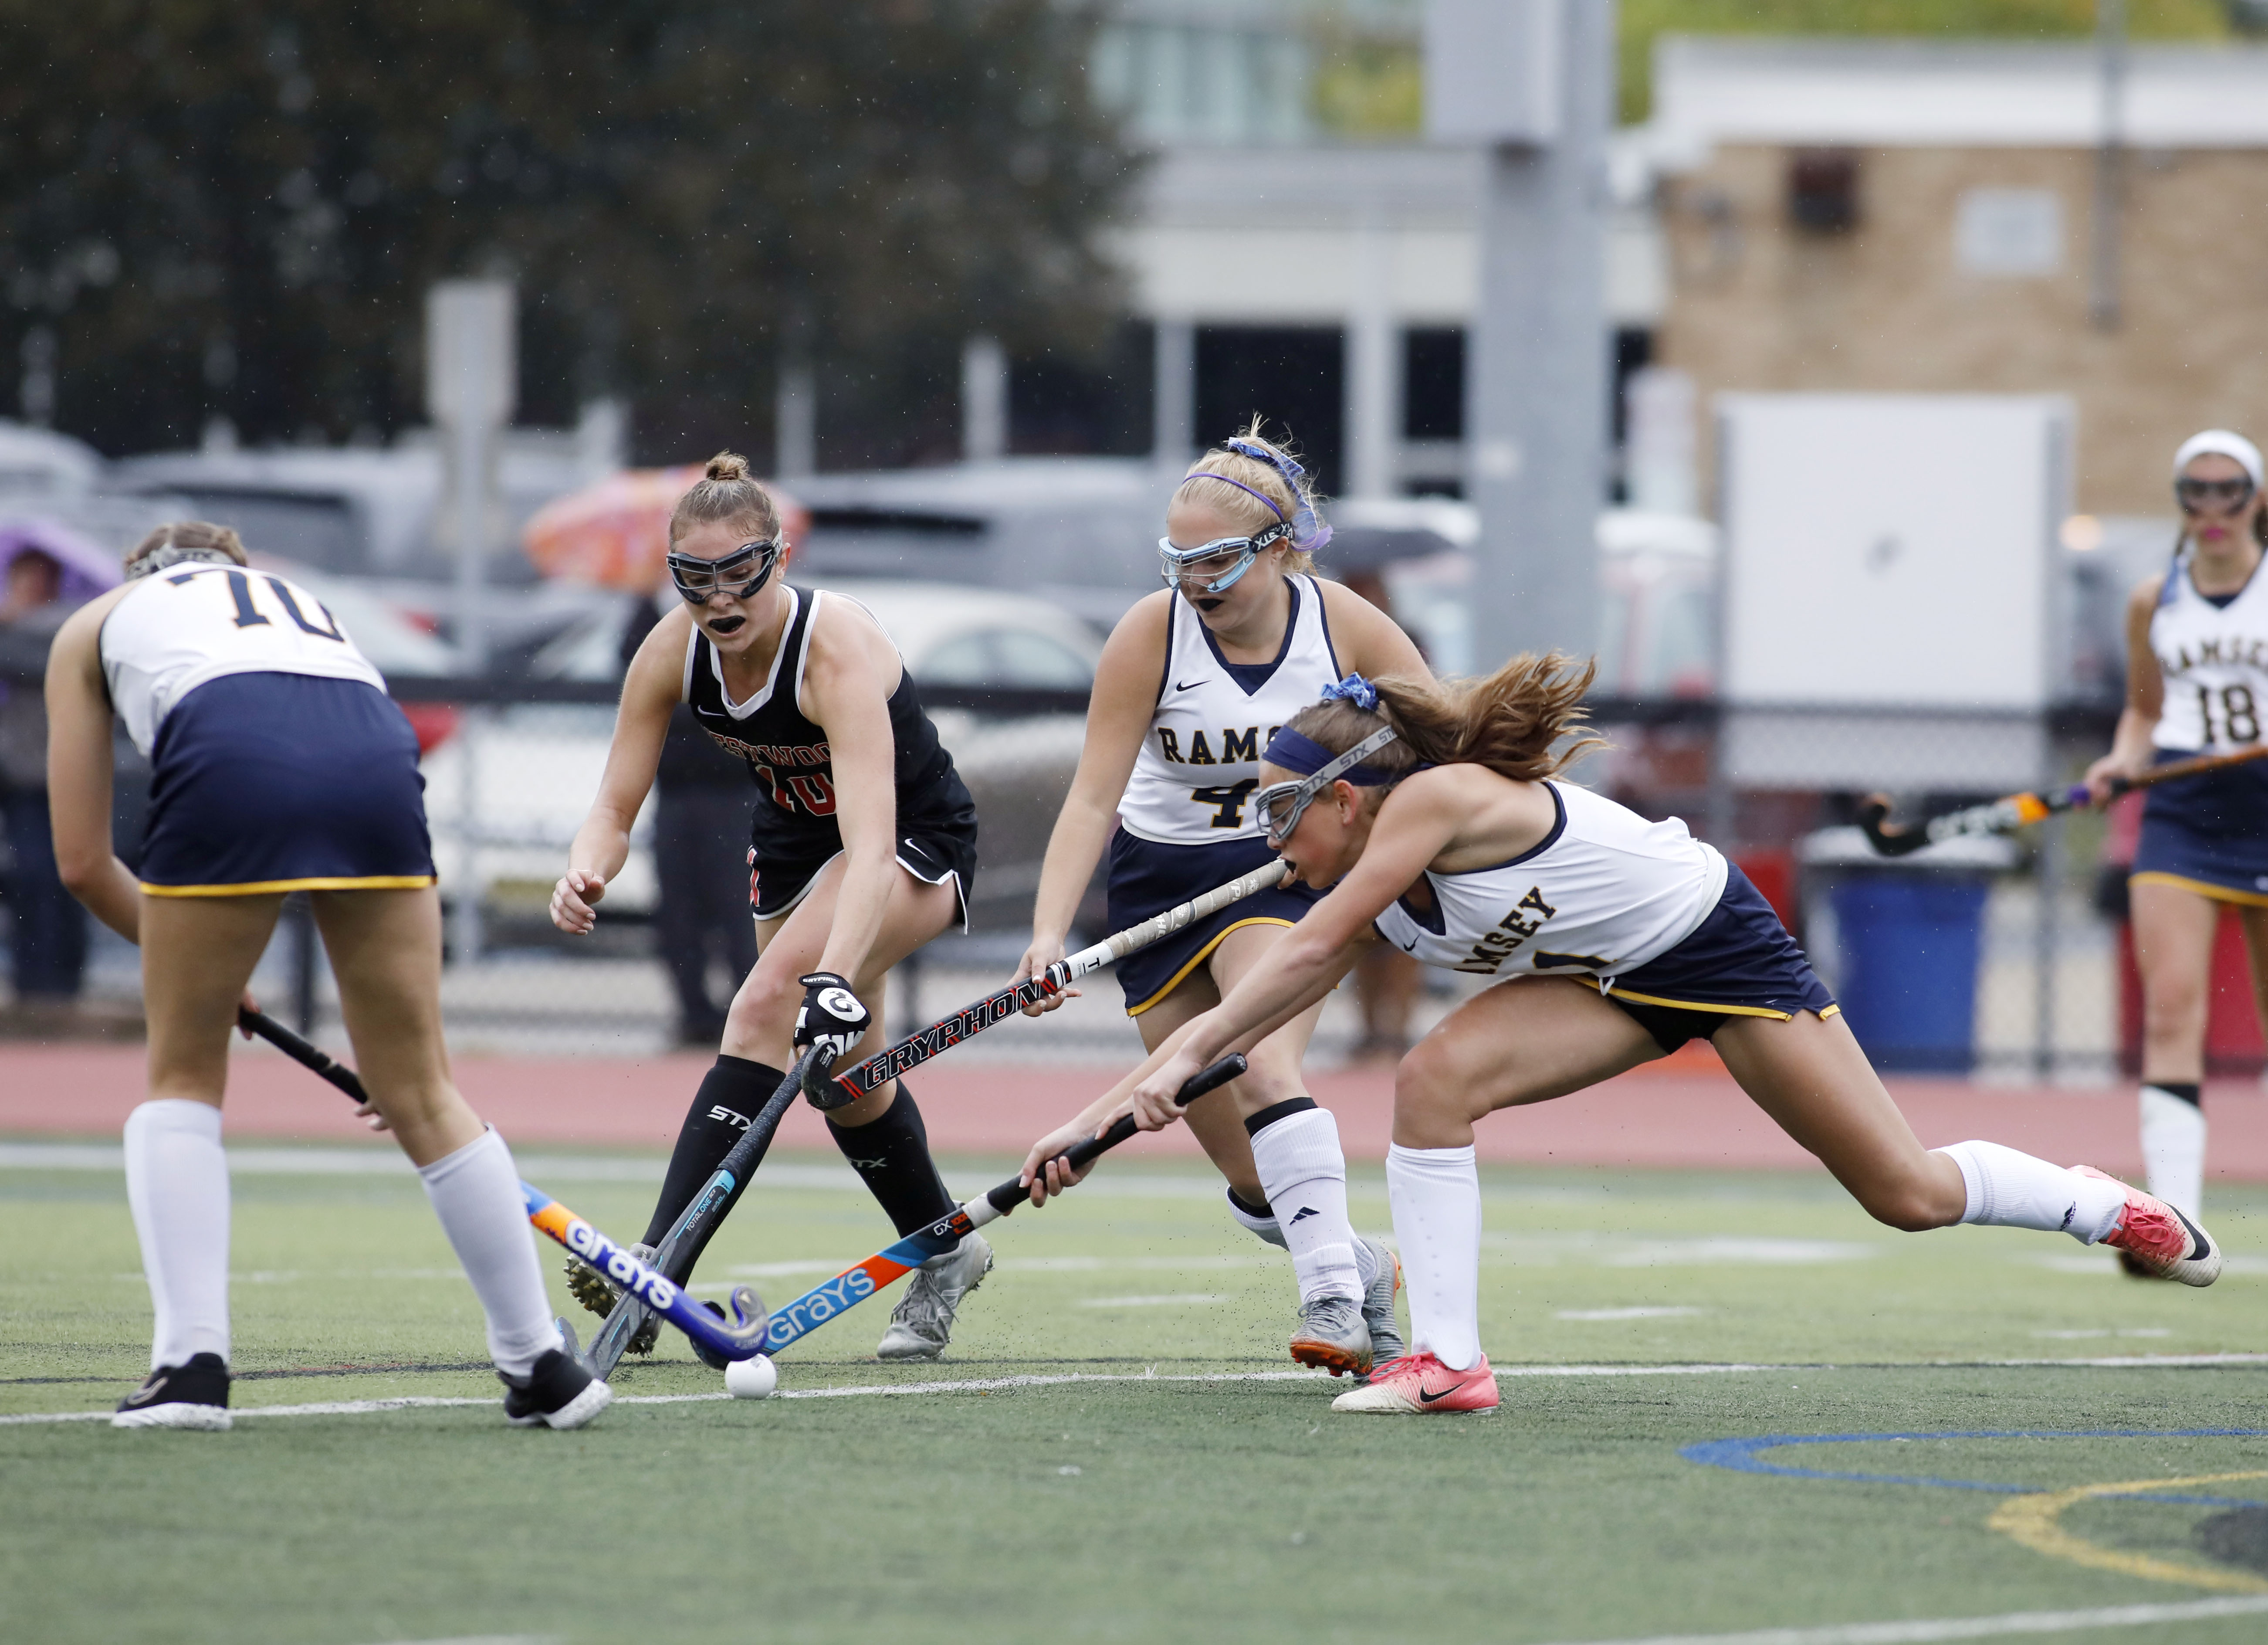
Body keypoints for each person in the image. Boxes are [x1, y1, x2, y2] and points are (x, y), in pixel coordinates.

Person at [1024, 662, 2222, 1415]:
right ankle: (1447, 1359)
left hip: (1712, 944)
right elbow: (1274, 1001)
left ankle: (2098, 1205)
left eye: (1287, 814)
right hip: (1609, 977)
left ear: (1348, 796)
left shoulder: (1427, 805)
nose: (1275, 841)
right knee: (1432, 1080)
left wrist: (1170, 1073)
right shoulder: (1364, 872)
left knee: (1900, 1190)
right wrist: (1097, 1112)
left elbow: (1287, 955)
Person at [44, 521, 606, 1430]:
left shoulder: (97, 622)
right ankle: (542, 1361)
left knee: (182, 1075)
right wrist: (203, 964)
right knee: (422, 1088)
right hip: (374, 755)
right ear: (238, 569)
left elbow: (81, 861)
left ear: (139, 574)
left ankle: (190, 1367)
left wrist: (189, 967)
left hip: (227, 747)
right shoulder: (306, 610)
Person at [1009, 425, 1430, 1377]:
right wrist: (1043, 935)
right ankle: (1355, 1263)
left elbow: (1437, 741)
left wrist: (1367, 838)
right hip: (1158, 884)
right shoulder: (1147, 634)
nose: (1194, 581)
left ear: (1279, 548)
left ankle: (1328, 1294)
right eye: (1176, 561)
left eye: (1215, 562)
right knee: (1250, 1182)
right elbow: (1090, 797)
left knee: (1252, 1060)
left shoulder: (1347, 626)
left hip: (1284, 879)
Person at [551, 452, 986, 1360]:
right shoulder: (672, 649)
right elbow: (611, 808)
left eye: (738, 570)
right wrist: (584, 871)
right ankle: (946, 1247)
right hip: (792, 845)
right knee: (839, 1078)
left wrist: (832, 975)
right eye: (694, 578)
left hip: (908, 838)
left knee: (760, 1009)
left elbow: (870, 844)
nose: (718, 597)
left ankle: (653, 1272)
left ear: (777, 558)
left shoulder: (833, 651)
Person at [2083, 428, 2268, 1246]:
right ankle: (2175, 1219)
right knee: (2170, 1011)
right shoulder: (2151, 599)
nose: (2214, 508)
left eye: (2231, 490)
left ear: (2257, 498)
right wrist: (2120, 762)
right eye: (2197, 491)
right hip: (2182, 818)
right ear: (2180, 502)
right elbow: (2144, 711)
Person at [618, 588, 760, 1046]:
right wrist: (641, 601)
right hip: (676, 797)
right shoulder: (650, 618)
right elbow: (632, 677)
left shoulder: (737, 617)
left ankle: (755, 1014)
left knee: (744, 911)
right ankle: (696, 1015)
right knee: (677, 915)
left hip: (736, 797)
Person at [2, 546, 90, 1008]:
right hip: (22, 775)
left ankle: (63, 981)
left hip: (70, 772)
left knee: (70, 877)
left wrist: (12, 622)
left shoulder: (68, 626)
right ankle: (33, 980)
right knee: (32, 876)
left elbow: (32, 658)